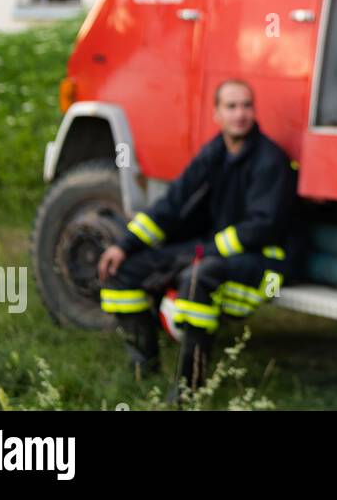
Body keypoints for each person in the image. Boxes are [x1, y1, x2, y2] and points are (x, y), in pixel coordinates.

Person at [97, 79, 296, 396]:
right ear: (216, 113)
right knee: (122, 271)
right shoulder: (215, 152)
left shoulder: (269, 160)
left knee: (196, 278)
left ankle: (189, 389)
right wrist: (124, 245)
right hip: (214, 250)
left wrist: (205, 250)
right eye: (231, 107)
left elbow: (264, 226)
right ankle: (142, 369)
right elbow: (173, 203)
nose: (240, 114)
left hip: (263, 259)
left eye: (246, 106)